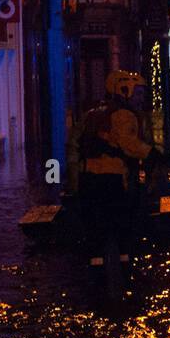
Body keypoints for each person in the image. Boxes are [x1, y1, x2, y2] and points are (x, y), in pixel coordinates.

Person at [67, 70, 159, 260]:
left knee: (96, 237)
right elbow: (131, 145)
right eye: (138, 93)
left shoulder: (90, 115)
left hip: (87, 182)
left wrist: (74, 183)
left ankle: (97, 278)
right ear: (124, 90)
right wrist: (155, 156)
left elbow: (73, 148)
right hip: (114, 182)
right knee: (122, 233)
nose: (141, 98)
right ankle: (124, 277)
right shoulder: (125, 115)